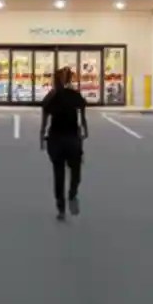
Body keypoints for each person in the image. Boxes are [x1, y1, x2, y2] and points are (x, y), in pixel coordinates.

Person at [40, 66, 88, 220]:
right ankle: (72, 194)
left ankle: (61, 208)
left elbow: (44, 120)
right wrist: (85, 131)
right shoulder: (75, 96)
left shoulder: (51, 97)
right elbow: (82, 116)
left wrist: (42, 137)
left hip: (56, 140)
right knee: (75, 172)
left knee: (58, 174)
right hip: (72, 139)